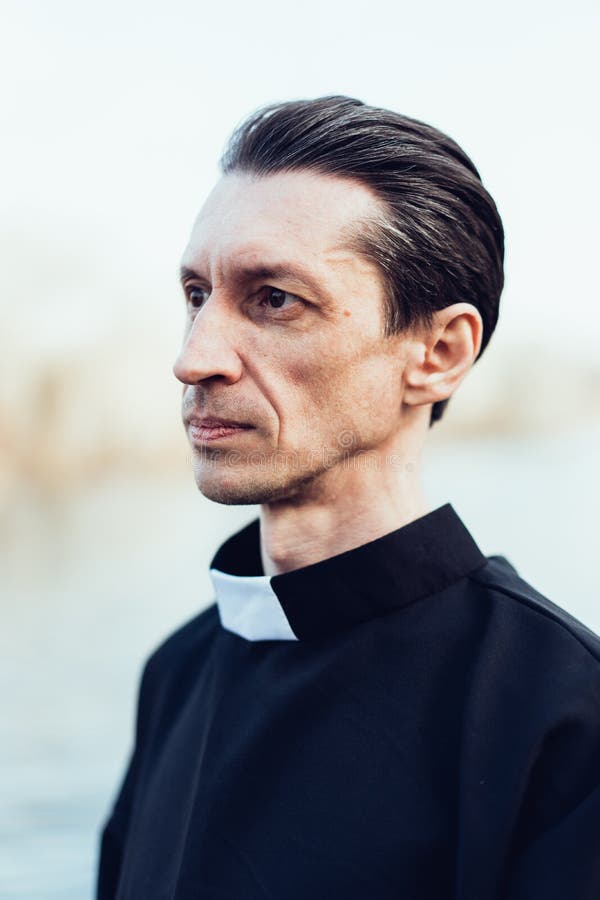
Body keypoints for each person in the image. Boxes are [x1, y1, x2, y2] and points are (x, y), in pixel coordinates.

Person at [96, 97, 600, 899]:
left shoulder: (561, 712)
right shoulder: (177, 672)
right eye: (197, 295)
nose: (194, 359)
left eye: (273, 299)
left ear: (437, 353)